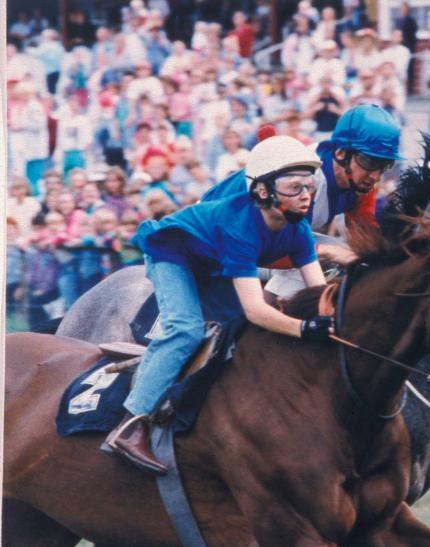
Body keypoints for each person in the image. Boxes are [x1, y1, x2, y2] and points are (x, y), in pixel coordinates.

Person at [104, 136, 333, 475]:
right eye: (295, 187)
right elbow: (256, 309)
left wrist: (334, 319)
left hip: (211, 261)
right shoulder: (241, 226)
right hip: (172, 254)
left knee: (239, 335)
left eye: (309, 187)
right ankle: (130, 423)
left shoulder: (297, 228)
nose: (306, 196)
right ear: (262, 192)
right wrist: (304, 328)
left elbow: (319, 291)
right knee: (186, 330)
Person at [203, 104, 403, 298]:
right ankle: (256, 322)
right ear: (341, 153)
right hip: (218, 240)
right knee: (325, 259)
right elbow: (285, 250)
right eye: (370, 162)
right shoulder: (305, 179)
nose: (376, 176)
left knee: (345, 256)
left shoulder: (361, 179)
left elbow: (365, 238)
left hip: (264, 239)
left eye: (385, 165)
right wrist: (328, 253)